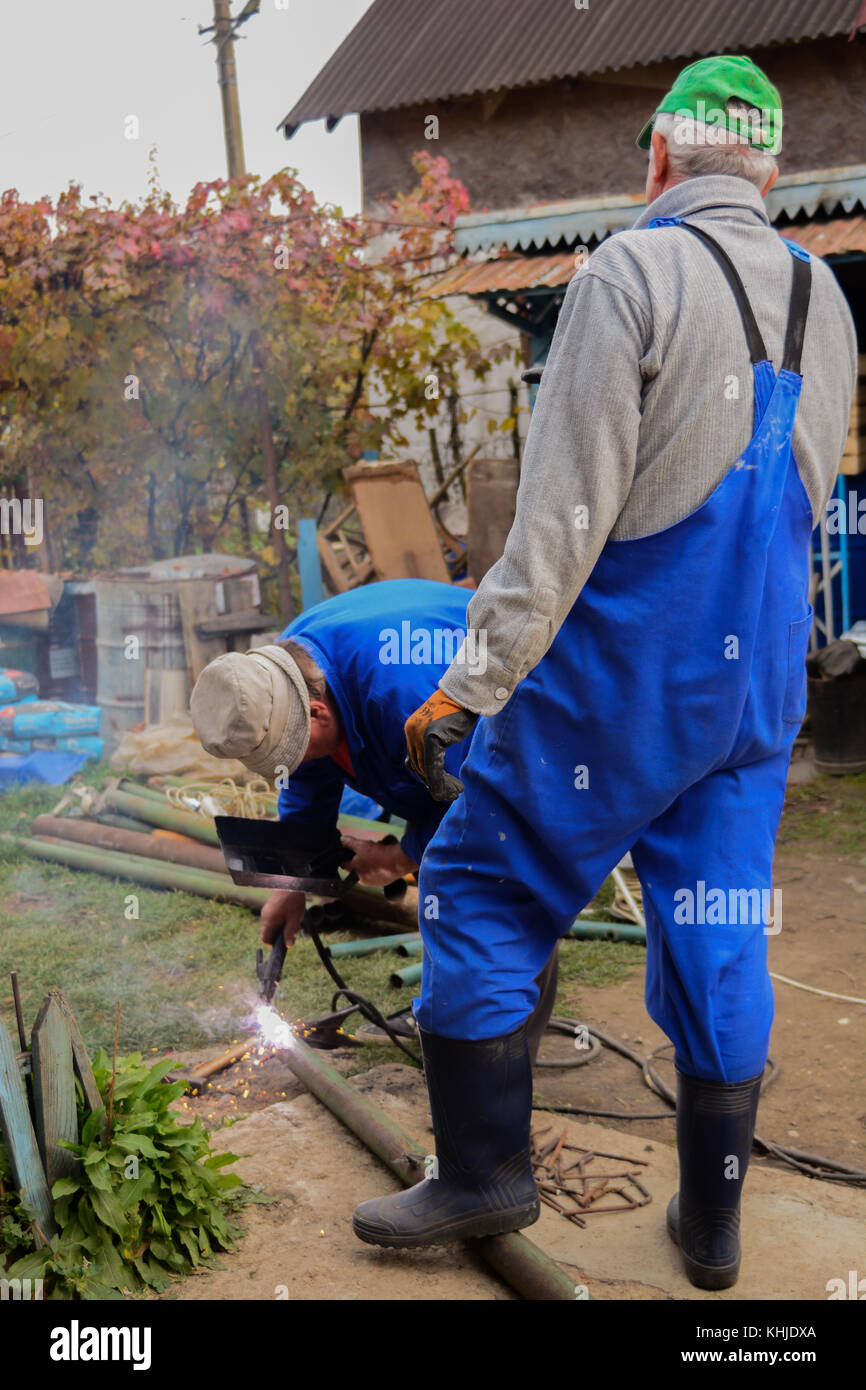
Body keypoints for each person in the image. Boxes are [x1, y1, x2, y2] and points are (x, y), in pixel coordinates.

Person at [351, 56, 857, 1289]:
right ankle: (712, 1223)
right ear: (770, 169)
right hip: (750, 701)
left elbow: (558, 528)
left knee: (478, 883)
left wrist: (467, 685)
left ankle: (481, 1174)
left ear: (654, 160)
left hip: (618, 687)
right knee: (719, 933)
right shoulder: (826, 300)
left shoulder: (625, 273)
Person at [189, 577, 559, 1061]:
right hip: (449, 749)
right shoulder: (289, 667)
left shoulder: (404, 697)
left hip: (535, 726)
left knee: (490, 892)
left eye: (293, 750)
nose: (294, 763)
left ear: (318, 713)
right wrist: (292, 880)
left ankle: (494, 1059)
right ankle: (451, 1016)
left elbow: (483, 803)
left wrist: (401, 854)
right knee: (447, 893)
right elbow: (307, 776)